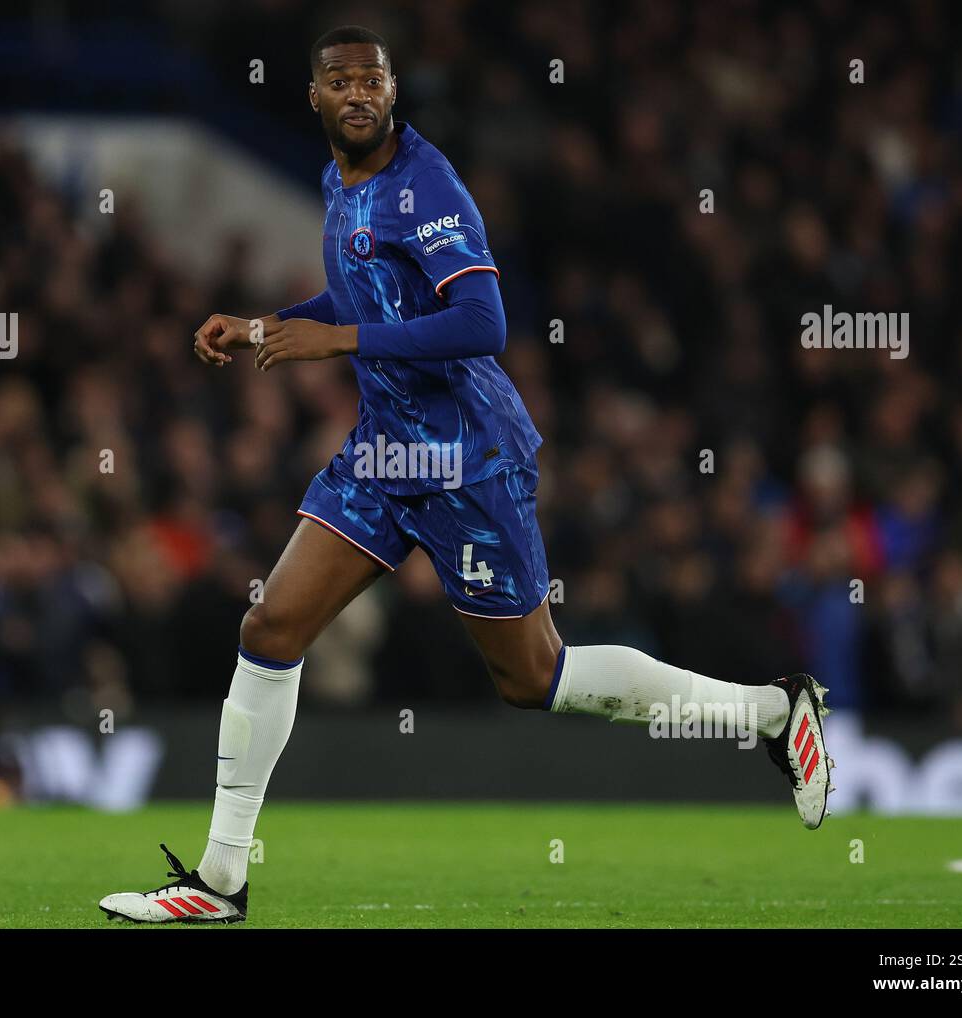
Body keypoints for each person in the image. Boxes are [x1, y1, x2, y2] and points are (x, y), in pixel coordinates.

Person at [99, 25, 833, 925]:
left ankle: (769, 713)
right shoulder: (341, 181)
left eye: (374, 78)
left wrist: (340, 341)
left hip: (466, 456)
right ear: (316, 99)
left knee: (533, 678)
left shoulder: (425, 184)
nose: (359, 92)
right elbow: (366, 295)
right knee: (271, 622)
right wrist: (265, 326)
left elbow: (482, 321)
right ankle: (219, 882)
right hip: (385, 448)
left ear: (395, 90)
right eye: (342, 81)